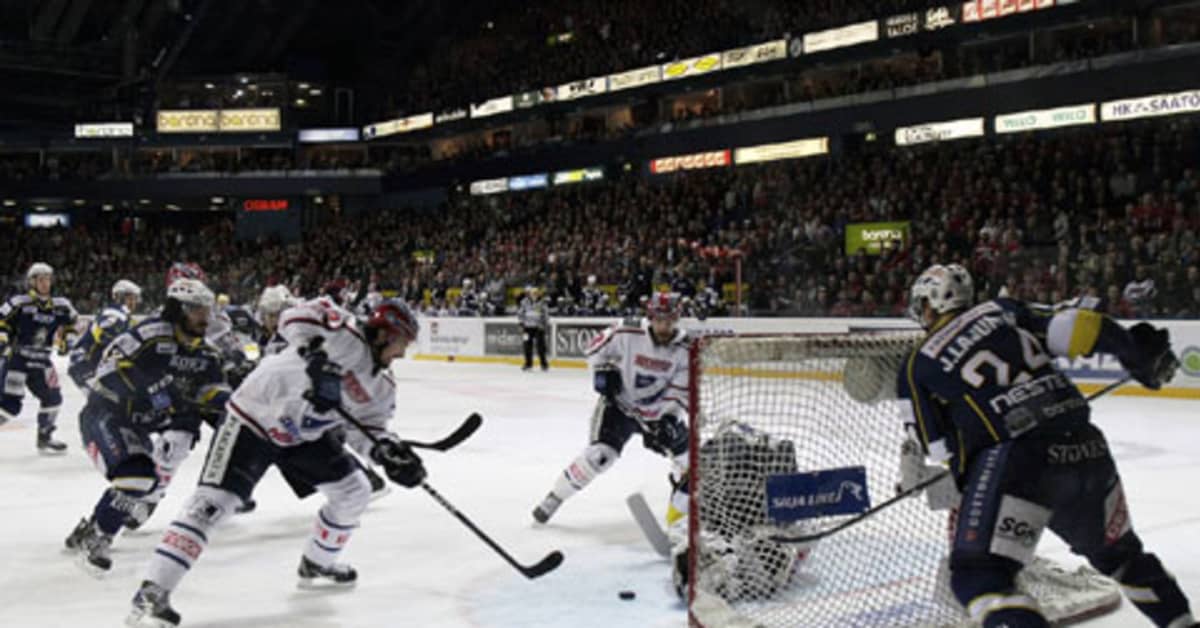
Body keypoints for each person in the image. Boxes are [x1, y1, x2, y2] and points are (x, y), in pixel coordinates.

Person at [897, 263, 1195, 628]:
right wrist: (1135, 354)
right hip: (1086, 446)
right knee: (1122, 557)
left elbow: (939, 449)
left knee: (979, 575)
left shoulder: (916, 364)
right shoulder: (1003, 311)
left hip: (1016, 462)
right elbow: (1082, 325)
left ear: (930, 304)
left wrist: (954, 481)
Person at [126, 297, 426, 628]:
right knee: (212, 505)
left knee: (355, 490)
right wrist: (317, 355)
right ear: (384, 334)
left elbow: (369, 429)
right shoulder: (342, 333)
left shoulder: (381, 386)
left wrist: (386, 452)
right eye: (401, 342)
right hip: (252, 419)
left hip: (302, 438)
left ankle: (318, 562)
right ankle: (153, 590)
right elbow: (292, 317)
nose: (402, 353)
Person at [66, 279, 229, 573]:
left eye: (207, 311)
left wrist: (229, 412)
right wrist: (156, 389)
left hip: (138, 427)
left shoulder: (208, 354)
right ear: (178, 310)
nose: (204, 318)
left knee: (144, 481)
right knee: (137, 479)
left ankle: (91, 528)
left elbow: (212, 392)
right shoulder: (149, 334)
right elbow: (109, 370)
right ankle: (97, 537)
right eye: (196, 311)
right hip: (106, 416)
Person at [531, 291, 690, 529]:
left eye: (669, 320)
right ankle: (554, 498)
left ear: (677, 318)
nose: (664, 326)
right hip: (620, 407)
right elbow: (593, 350)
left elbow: (681, 390)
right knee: (600, 456)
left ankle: (679, 519)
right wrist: (604, 372)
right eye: (659, 319)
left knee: (690, 464)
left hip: (658, 414)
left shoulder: (686, 349)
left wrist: (669, 418)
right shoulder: (626, 331)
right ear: (650, 316)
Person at [0, 262, 78, 452]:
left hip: (42, 361)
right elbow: (2, 322)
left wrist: (68, 339)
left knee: (53, 399)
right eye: (41, 279)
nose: (45, 283)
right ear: (32, 282)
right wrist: (2, 339)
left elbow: (72, 324)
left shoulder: (62, 305)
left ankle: (45, 438)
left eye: (48, 279)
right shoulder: (19, 302)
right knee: (10, 407)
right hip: (18, 359)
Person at [68, 279, 142, 391]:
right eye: (129, 298)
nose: (133, 302)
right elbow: (104, 336)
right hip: (86, 365)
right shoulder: (113, 314)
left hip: (91, 365)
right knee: (107, 403)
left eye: (135, 298)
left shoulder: (125, 317)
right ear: (119, 298)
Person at [517, 286, 549, 371]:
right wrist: (521, 324)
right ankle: (528, 364)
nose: (534, 295)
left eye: (536, 293)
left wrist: (544, 325)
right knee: (527, 346)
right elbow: (520, 313)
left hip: (539, 327)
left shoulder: (542, 303)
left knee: (541, 347)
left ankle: (544, 364)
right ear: (530, 294)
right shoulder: (524, 302)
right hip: (527, 328)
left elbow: (546, 315)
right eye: (533, 293)